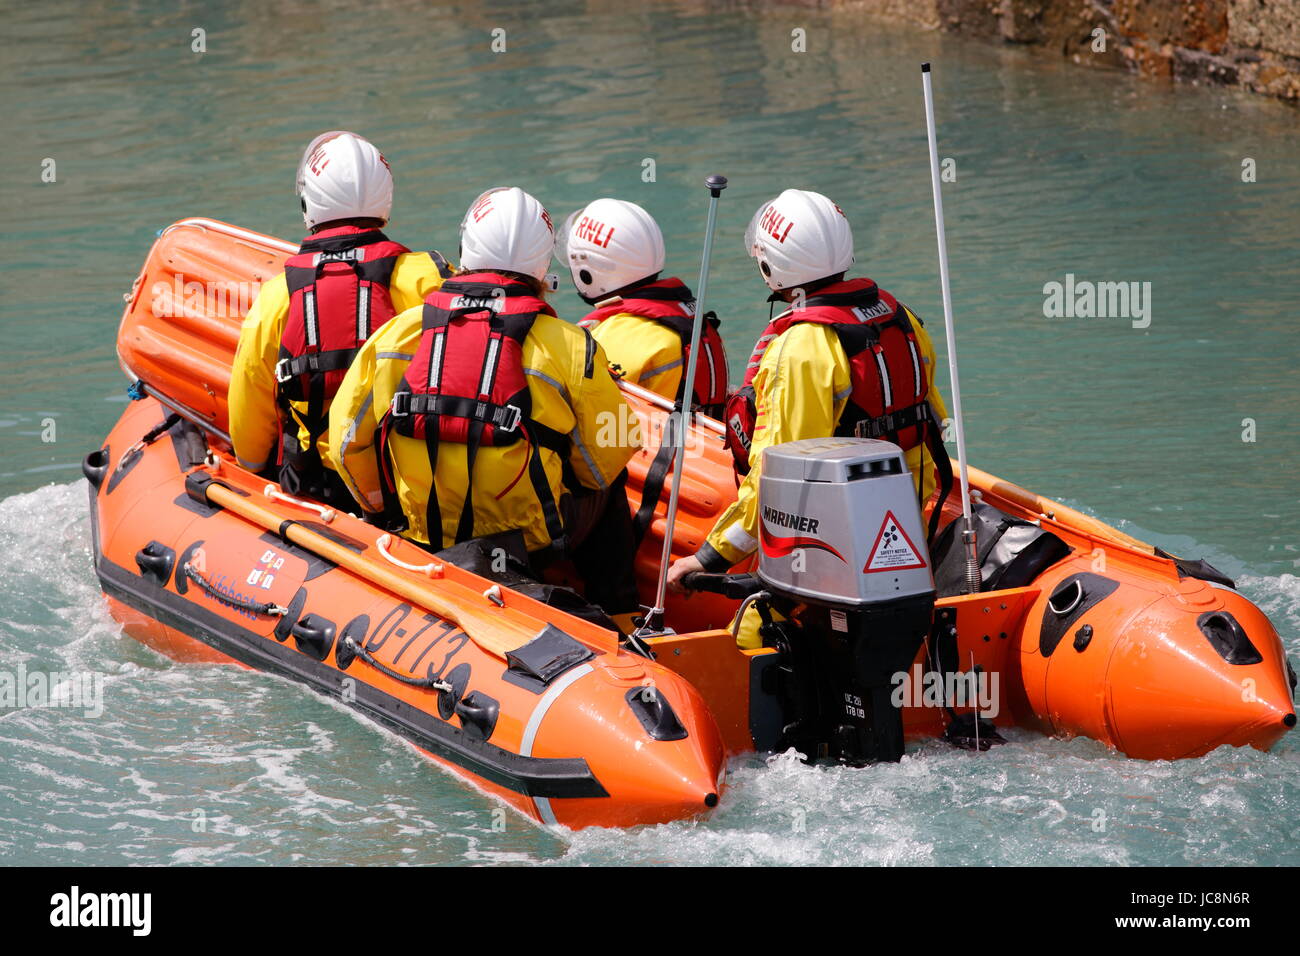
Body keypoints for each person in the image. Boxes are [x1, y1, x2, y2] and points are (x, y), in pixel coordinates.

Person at [327, 186, 641, 616]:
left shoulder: (397, 335)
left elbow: (345, 443)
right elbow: (604, 459)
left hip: (424, 535)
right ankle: (618, 615)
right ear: (543, 265)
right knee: (613, 486)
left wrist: (384, 510)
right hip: (531, 546)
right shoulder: (572, 346)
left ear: (466, 248)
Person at [666, 189, 953, 646]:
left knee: (752, 636)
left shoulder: (799, 350)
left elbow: (777, 475)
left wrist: (708, 558)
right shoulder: (901, 317)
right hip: (905, 527)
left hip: (836, 546)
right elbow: (932, 418)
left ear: (771, 267)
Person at [229, 131, 453, 506]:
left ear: (309, 202)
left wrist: (252, 468)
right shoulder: (429, 277)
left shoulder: (278, 296)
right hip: (410, 482)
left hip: (320, 484)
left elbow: (249, 401)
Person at [558, 198, 728, 418]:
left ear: (587, 271)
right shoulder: (684, 315)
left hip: (652, 448)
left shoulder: (612, 337)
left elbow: (587, 414)